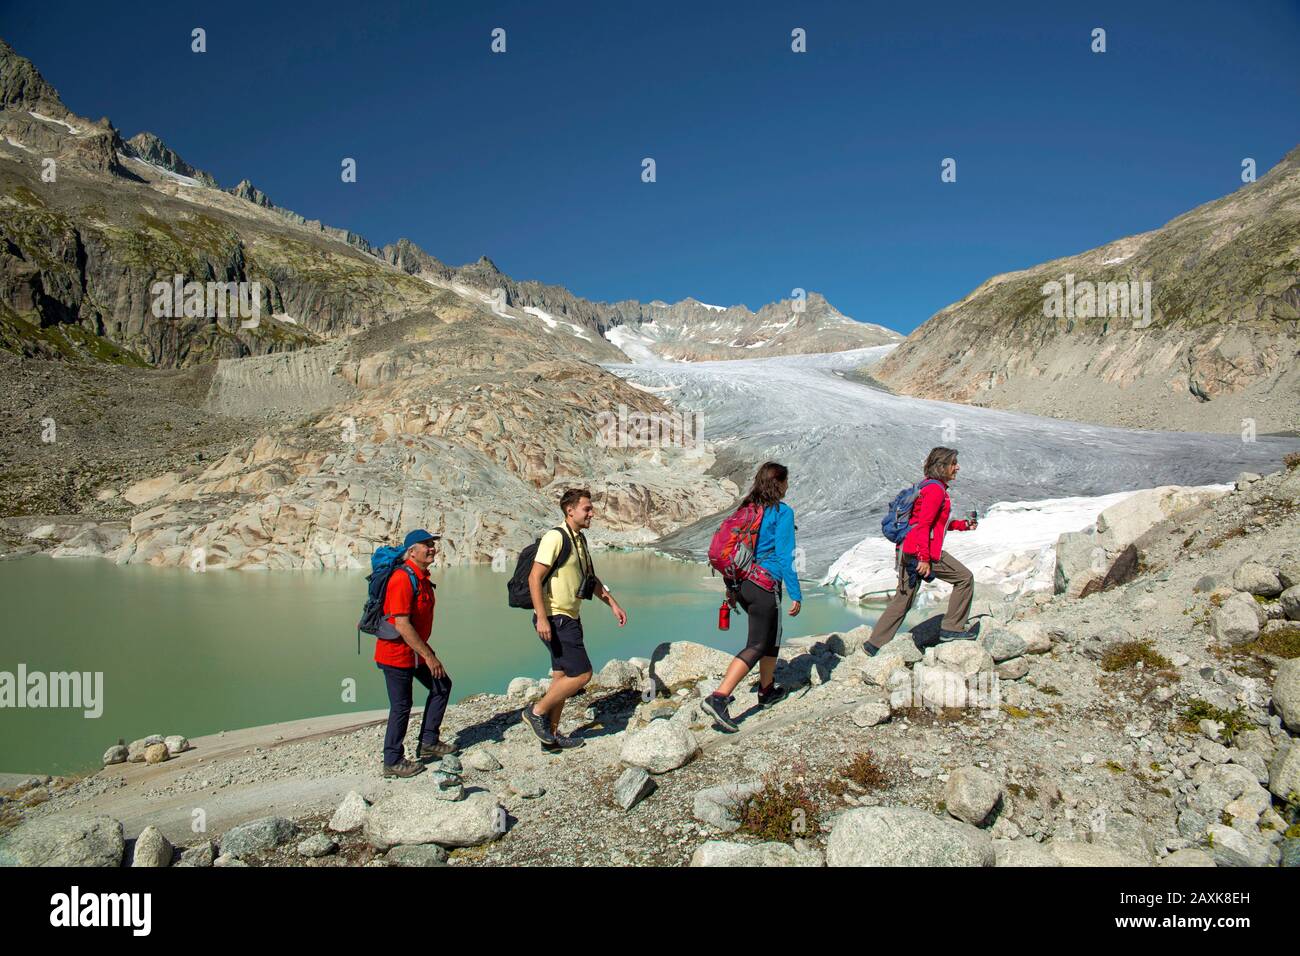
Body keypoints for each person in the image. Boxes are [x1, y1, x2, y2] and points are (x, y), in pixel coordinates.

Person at [521, 488, 627, 751]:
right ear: (570, 510)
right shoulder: (555, 538)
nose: (592, 513)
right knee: (582, 674)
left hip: (569, 616)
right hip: (556, 618)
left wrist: (612, 603)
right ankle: (536, 712)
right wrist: (542, 618)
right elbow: (534, 578)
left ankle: (551, 736)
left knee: (561, 677)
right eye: (587, 509)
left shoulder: (579, 539)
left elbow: (590, 579)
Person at [702, 462, 802, 733]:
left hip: (744, 586)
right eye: (786, 482)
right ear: (779, 484)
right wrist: (796, 592)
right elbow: (785, 554)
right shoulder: (781, 512)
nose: (788, 486)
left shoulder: (748, 510)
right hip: (764, 585)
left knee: (771, 636)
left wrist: (732, 589)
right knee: (758, 643)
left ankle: (766, 690)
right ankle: (719, 697)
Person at [865, 447, 978, 656]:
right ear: (942, 466)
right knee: (964, 578)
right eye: (953, 463)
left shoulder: (926, 486)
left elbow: (934, 523)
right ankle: (952, 628)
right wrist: (925, 559)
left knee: (903, 598)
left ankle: (874, 644)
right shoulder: (935, 490)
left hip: (908, 549)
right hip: (922, 551)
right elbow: (924, 525)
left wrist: (962, 525)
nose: (957, 467)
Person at [375, 528, 455, 778]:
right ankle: (392, 760)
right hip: (396, 654)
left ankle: (429, 742)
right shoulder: (402, 579)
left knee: (442, 685)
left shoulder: (420, 576)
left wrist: (426, 653)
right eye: (426, 544)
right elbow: (401, 623)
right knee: (401, 705)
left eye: (432, 544)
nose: (432, 548)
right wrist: (429, 656)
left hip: (414, 649)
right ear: (411, 551)